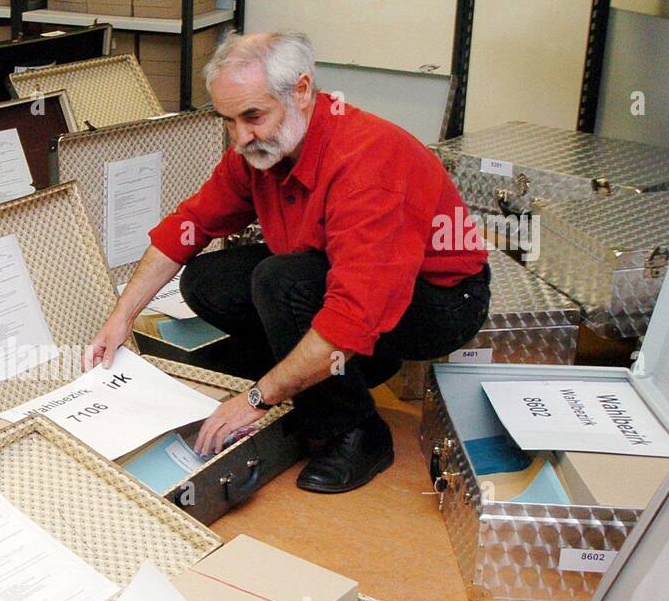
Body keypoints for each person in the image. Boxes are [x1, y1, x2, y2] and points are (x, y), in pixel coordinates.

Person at [84, 31, 491, 493]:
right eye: (228, 121)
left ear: (301, 91)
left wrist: (255, 400)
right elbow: (189, 226)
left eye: (253, 116)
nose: (240, 137)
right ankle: (324, 372)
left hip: (437, 302)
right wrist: (122, 316)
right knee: (206, 280)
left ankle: (356, 431)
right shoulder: (259, 148)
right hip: (332, 272)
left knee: (283, 281)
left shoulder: (367, 165)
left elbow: (355, 316)